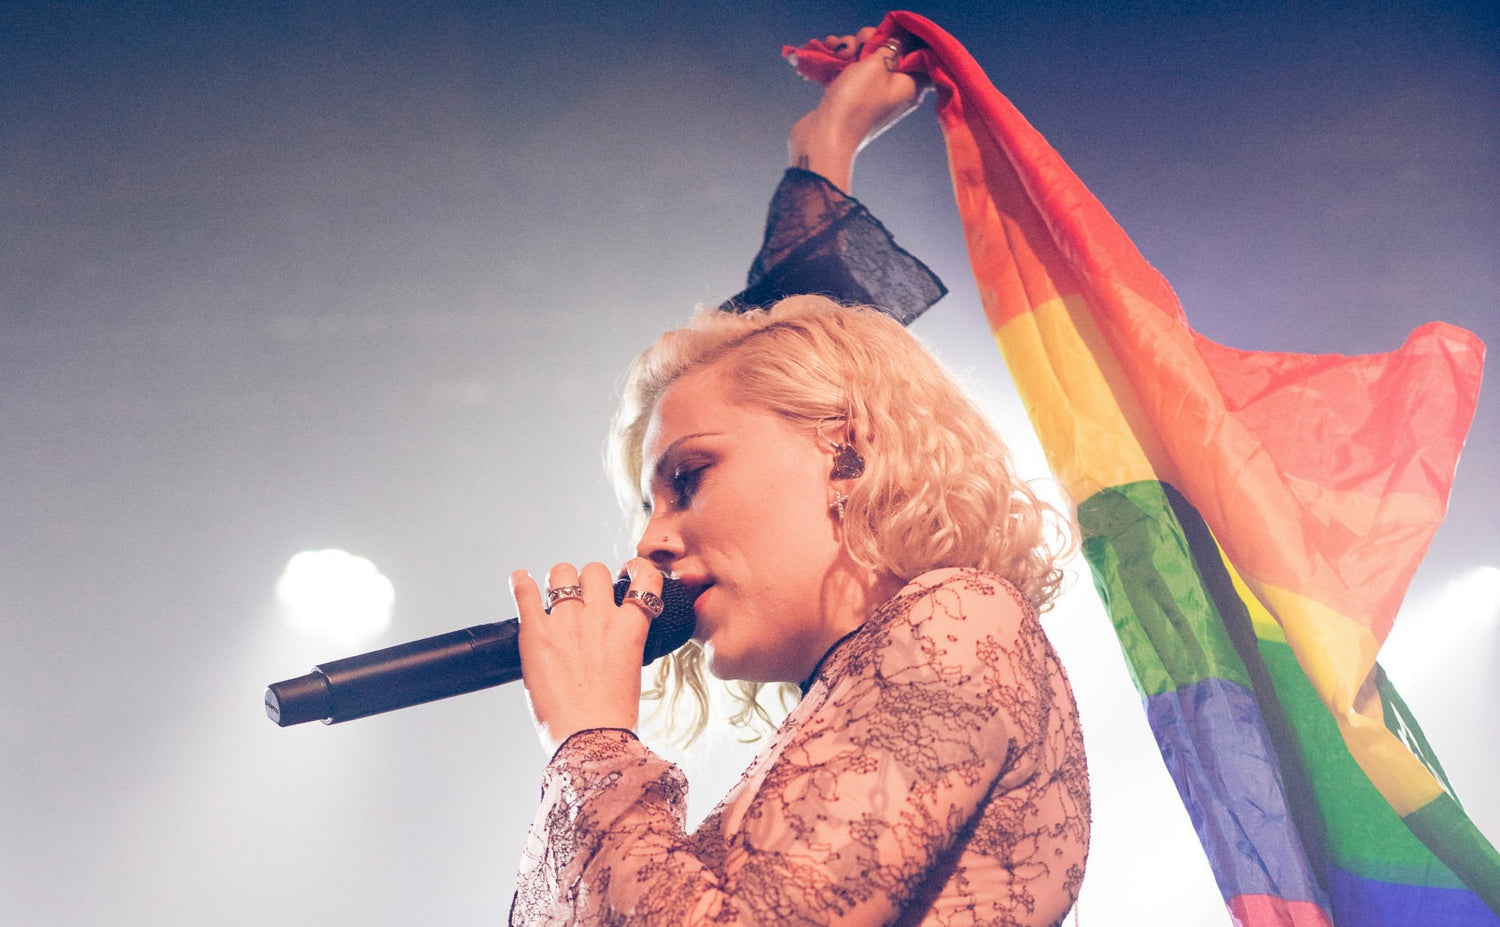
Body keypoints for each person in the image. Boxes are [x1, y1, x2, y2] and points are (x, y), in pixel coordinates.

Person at [507, 28, 1090, 926]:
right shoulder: (862, 687)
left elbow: (811, 359)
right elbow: (801, 343)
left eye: (688, 477)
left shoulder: (958, 620)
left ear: (848, 452)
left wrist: (591, 741)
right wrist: (823, 152)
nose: (651, 539)